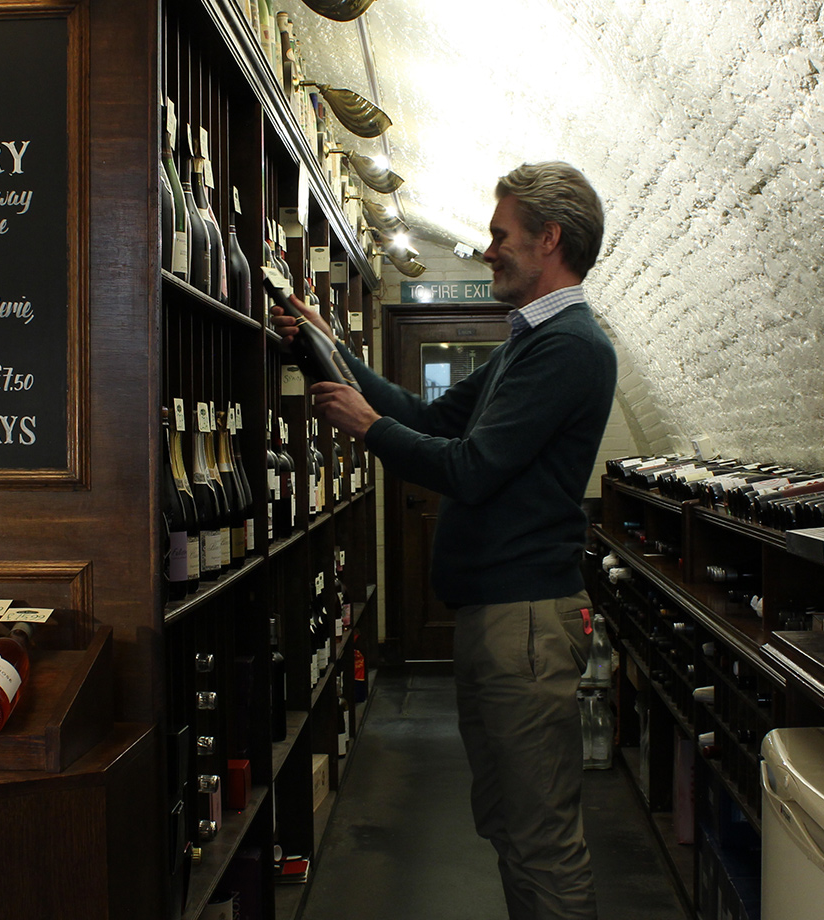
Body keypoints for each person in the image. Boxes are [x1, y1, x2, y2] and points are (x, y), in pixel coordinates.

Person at [271, 161, 616, 920]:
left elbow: (472, 467)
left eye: (500, 236)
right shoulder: (530, 341)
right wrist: (327, 348)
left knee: (540, 838)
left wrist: (369, 429)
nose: (487, 250)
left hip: (522, 624)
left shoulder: (570, 346)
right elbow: (428, 418)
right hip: (500, 620)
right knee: (508, 823)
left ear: (548, 238)